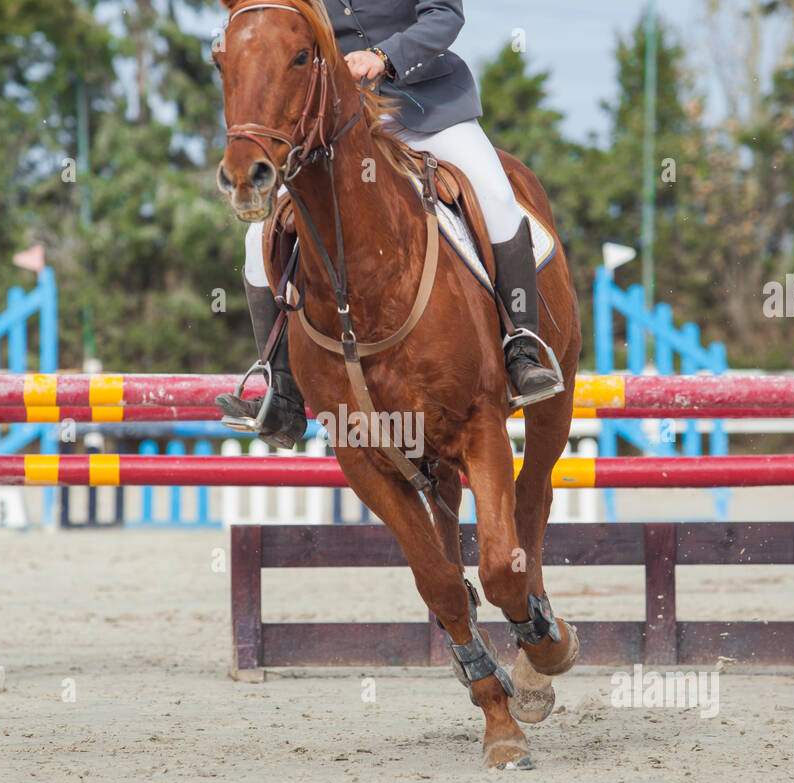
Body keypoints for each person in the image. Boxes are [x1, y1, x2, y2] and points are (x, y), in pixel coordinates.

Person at [219, 0, 562, 449]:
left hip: (428, 110)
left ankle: (521, 347)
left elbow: (444, 14)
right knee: (254, 242)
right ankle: (280, 389)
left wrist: (383, 58)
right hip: (339, 128)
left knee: (497, 197)